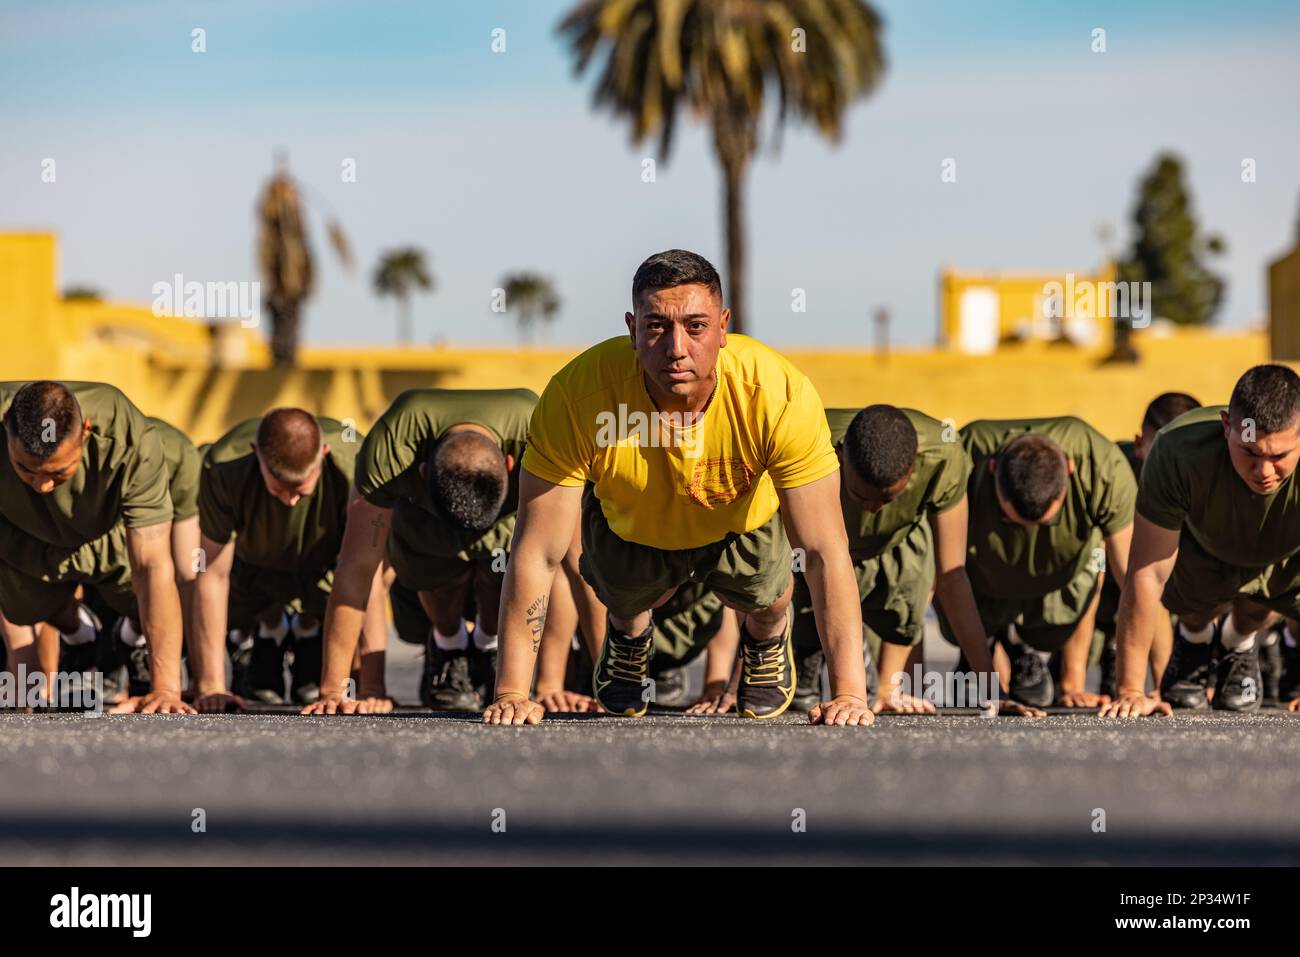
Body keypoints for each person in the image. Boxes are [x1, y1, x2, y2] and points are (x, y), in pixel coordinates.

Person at [483, 249, 872, 727]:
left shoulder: (779, 394)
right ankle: (627, 634)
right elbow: (537, 551)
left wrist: (851, 693)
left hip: (737, 526)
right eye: (656, 327)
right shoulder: (577, 395)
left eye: (695, 326)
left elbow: (825, 550)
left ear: (724, 326)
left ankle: (767, 636)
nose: (676, 348)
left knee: (768, 595)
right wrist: (512, 691)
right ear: (631, 329)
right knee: (620, 595)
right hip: (632, 529)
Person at [306, 388, 546, 714]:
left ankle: (490, 646)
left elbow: (560, 560)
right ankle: (449, 646)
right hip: (426, 532)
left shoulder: (539, 431)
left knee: (513, 558)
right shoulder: (391, 446)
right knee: (429, 548)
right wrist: (334, 690)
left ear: (509, 464)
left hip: (504, 530)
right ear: (421, 472)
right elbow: (358, 565)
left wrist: (551, 686)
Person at [792, 405, 1044, 716]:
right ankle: (804, 649)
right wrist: (735, 681)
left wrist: (993, 691)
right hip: (814, 551)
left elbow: (952, 576)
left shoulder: (944, 459)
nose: (872, 509)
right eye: (862, 497)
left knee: (921, 541)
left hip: (890, 547)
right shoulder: (803, 437)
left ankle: (885, 687)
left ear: (913, 468)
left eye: (886, 499)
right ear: (840, 454)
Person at [1101, 365, 1300, 717]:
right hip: (1206, 552)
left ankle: (1237, 643)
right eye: (1250, 453)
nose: (1265, 472)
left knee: (1256, 607)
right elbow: (1147, 573)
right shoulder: (1177, 451)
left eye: (1279, 457)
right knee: (1194, 611)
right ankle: (1194, 639)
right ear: (1227, 427)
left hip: (1281, 555)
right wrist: (1130, 689)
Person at [0, 380, 193, 713]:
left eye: (58, 473)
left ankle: (127, 641)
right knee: (24, 611)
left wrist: (166, 690)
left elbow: (151, 565)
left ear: (86, 432)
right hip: (22, 539)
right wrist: (23, 668)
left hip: (105, 538)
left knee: (146, 595)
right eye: (26, 469)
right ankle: (81, 637)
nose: (43, 485)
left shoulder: (132, 440)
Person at [190, 408, 387, 712]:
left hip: (325, 573)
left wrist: (372, 688)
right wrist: (211, 685)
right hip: (252, 572)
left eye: (300, 489)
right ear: (256, 455)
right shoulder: (223, 468)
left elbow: (366, 574)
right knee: (185, 584)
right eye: (280, 487)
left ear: (324, 453)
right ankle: (259, 640)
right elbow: (213, 575)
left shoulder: (356, 465)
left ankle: (311, 637)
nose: (291, 500)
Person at [942, 416, 1135, 708]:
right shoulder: (962, 458)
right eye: (1012, 521)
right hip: (983, 583)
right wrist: (990, 688)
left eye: (1045, 522)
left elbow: (1136, 580)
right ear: (992, 469)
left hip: (1058, 579)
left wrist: (1077, 684)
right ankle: (986, 644)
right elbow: (939, 571)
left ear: (1070, 471)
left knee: (1097, 556)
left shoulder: (1101, 464)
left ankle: (1023, 644)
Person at [1093, 392, 1201, 698]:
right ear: (1140, 445)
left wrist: (1168, 685)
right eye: (1163, 455)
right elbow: (1139, 578)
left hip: (1173, 586)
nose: (1174, 467)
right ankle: (1103, 652)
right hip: (1110, 586)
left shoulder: (1213, 471)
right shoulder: (1111, 469)